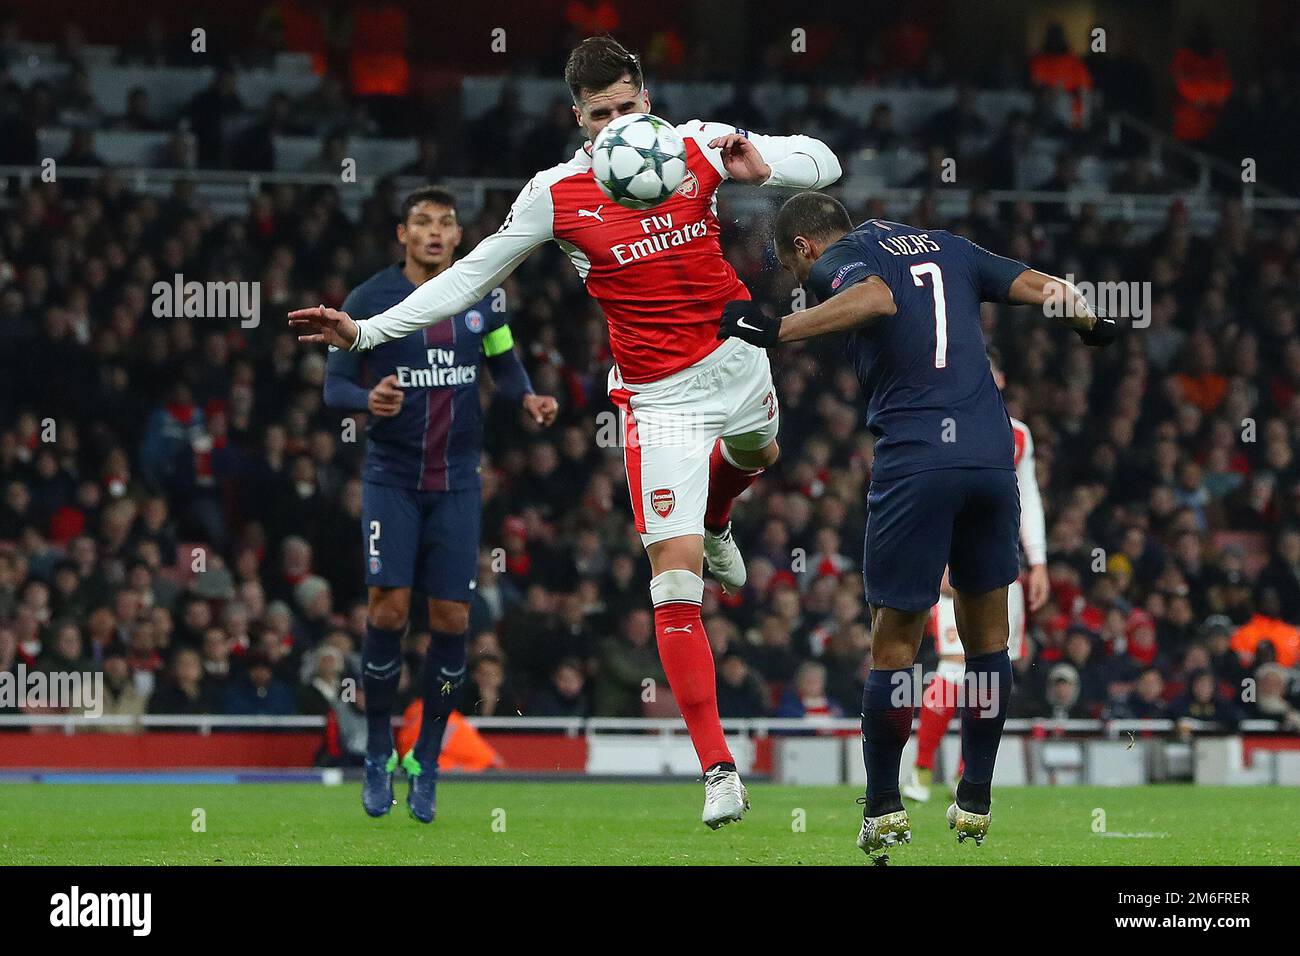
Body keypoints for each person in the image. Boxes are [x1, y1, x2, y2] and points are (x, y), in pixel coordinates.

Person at [292, 35, 841, 829]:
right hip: (659, 403)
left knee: (761, 454)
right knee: (676, 582)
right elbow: (468, 277)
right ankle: (718, 768)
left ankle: (720, 515)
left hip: (741, 359)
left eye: (628, 108)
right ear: (579, 120)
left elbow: (824, 163)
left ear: (647, 103)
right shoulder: (555, 195)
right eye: (601, 114)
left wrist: (763, 161)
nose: (618, 125)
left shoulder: (695, 147)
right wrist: (369, 333)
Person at [718, 191, 1116, 858]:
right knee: (990, 642)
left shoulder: (841, 256)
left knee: (895, 639)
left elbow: (874, 300)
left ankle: (882, 809)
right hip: (992, 457)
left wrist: (779, 330)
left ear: (803, 247)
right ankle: (976, 799)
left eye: (795, 271)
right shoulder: (949, 246)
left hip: (917, 459)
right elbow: (1041, 285)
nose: (803, 282)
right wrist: (1084, 318)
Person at [322, 185, 557, 823]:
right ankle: (376, 746)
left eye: (445, 223)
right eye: (420, 222)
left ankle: (425, 758)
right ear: (402, 234)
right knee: (389, 610)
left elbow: (505, 365)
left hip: (456, 482)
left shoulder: (482, 298)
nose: (433, 232)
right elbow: (335, 384)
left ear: (458, 237)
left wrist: (528, 397)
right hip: (391, 478)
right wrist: (364, 402)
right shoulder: (370, 301)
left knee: (453, 620)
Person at [903, 347, 1049, 802]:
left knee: (991, 665)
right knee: (951, 665)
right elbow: (928, 494)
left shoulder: (1018, 436)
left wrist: (1039, 560)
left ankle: (969, 774)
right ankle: (922, 771)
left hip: (1003, 568)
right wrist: (937, 557)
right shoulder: (941, 424)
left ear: (1001, 381)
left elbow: (1029, 500)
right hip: (951, 563)